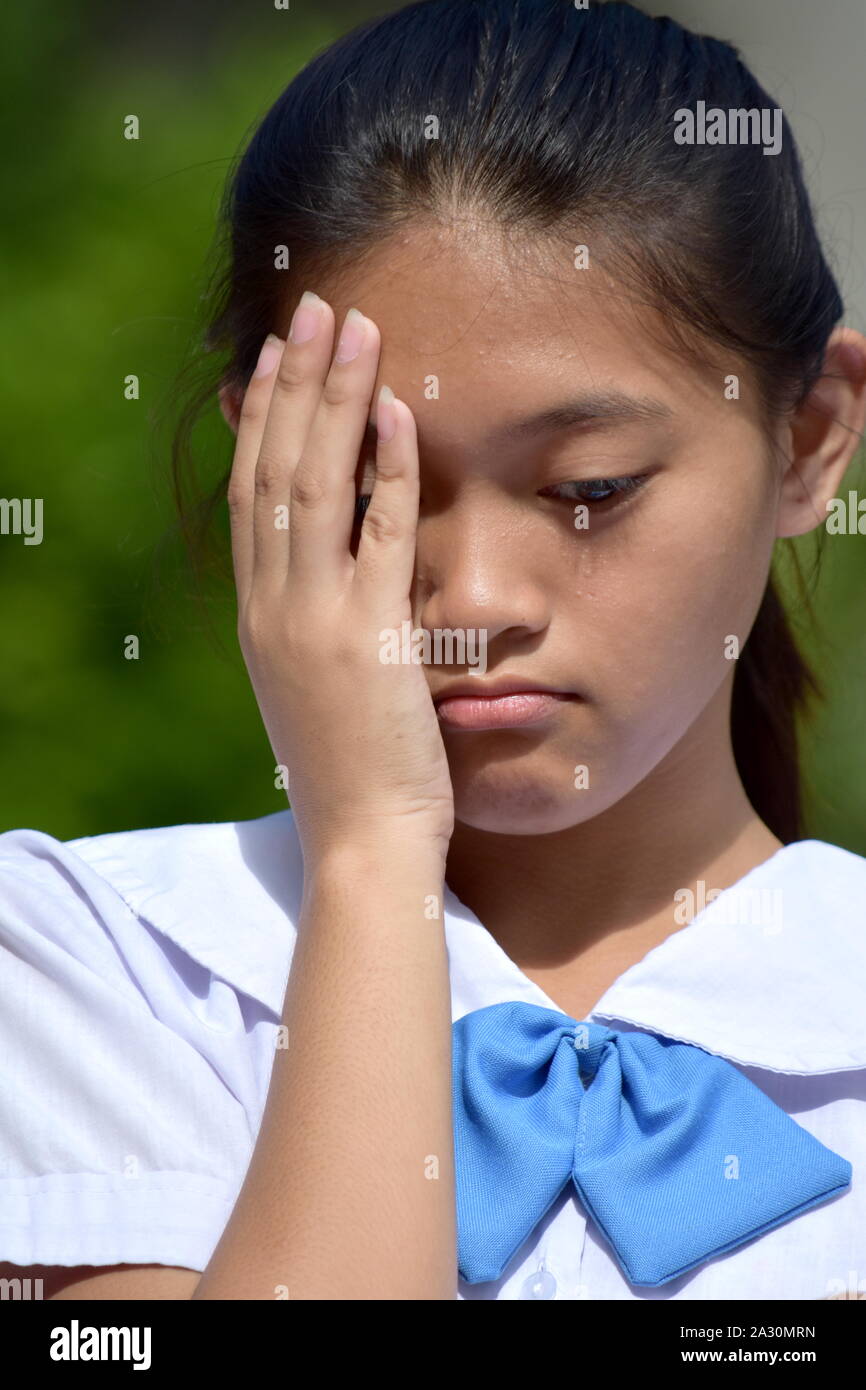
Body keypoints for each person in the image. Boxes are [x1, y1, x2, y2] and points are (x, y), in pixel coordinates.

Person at [1, 0, 865, 1301]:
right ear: (264, 467)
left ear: (806, 441)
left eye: (589, 489)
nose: (473, 595)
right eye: (373, 488)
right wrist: (367, 851)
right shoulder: (116, 959)